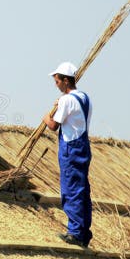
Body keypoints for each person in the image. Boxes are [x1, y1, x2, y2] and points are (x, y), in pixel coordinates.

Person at [42, 61, 93, 248]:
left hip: (71, 147)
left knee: (71, 189)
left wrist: (45, 117)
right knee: (82, 189)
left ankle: (75, 232)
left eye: (57, 81)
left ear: (65, 80)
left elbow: (54, 125)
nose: (56, 85)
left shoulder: (66, 100)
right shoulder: (84, 97)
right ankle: (84, 231)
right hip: (83, 145)